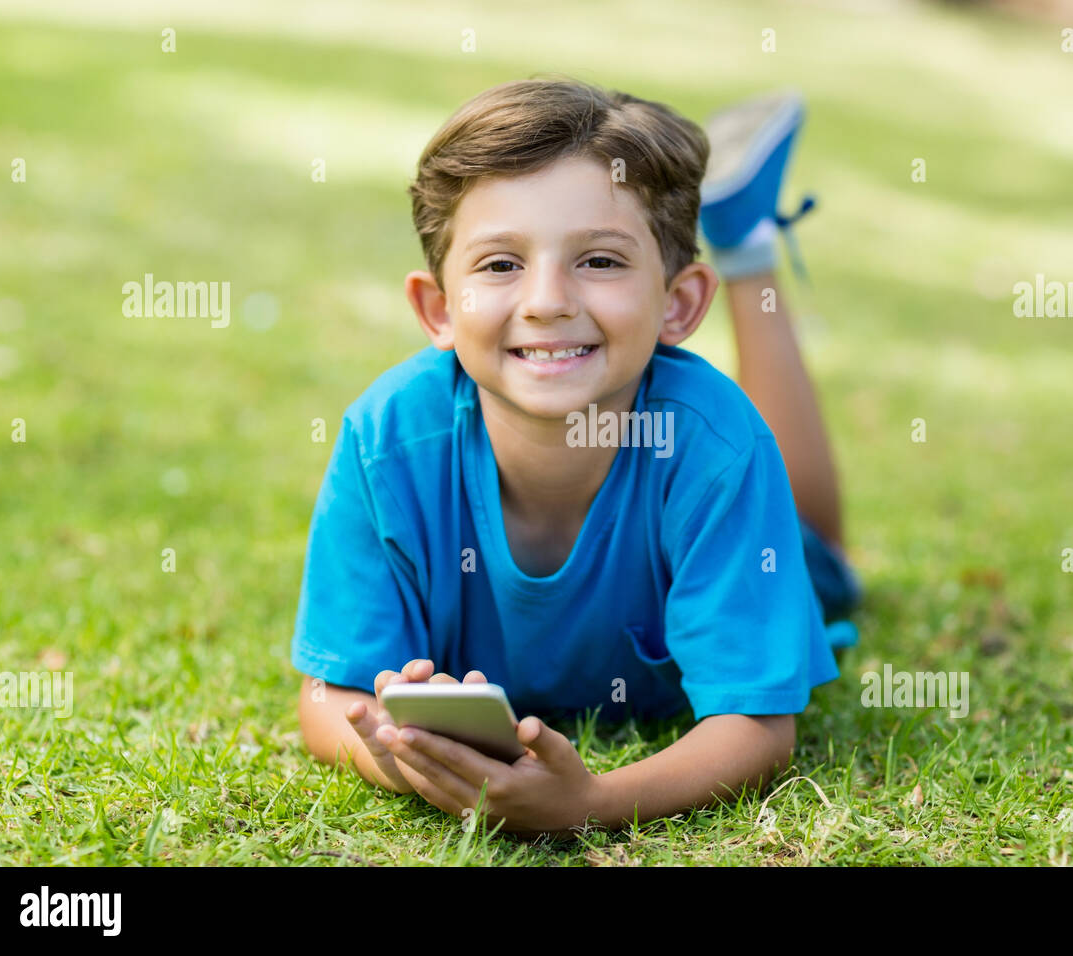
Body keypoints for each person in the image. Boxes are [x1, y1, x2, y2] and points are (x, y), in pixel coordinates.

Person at [292, 78, 861, 837]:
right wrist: (406, 757)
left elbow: (758, 729)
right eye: (500, 266)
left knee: (819, 548)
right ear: (438, 309)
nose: (547, 301)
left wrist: (590, 804)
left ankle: (743, 241)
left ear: (678, 304)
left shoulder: (713, 450)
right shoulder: (385, 441)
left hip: (746, 507)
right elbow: (329, 698)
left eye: (598, 260)